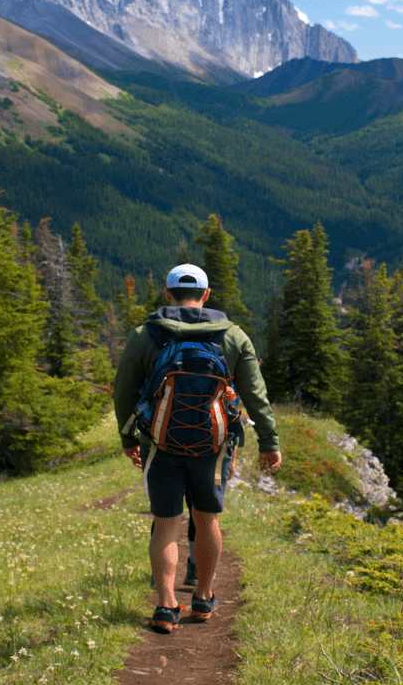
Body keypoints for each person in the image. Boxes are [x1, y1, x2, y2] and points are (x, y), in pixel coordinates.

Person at [114, 263, 281, 634]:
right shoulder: (233, 336)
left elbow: (124, 390)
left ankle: (166, 606)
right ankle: (203, 598)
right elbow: (256, 395)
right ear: (206, 295)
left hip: (159, 442)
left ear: (168, 294)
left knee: (165, 526)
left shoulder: (145, 335)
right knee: (207, 521)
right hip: (214, 446)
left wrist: (129, 440)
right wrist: (269, 442)